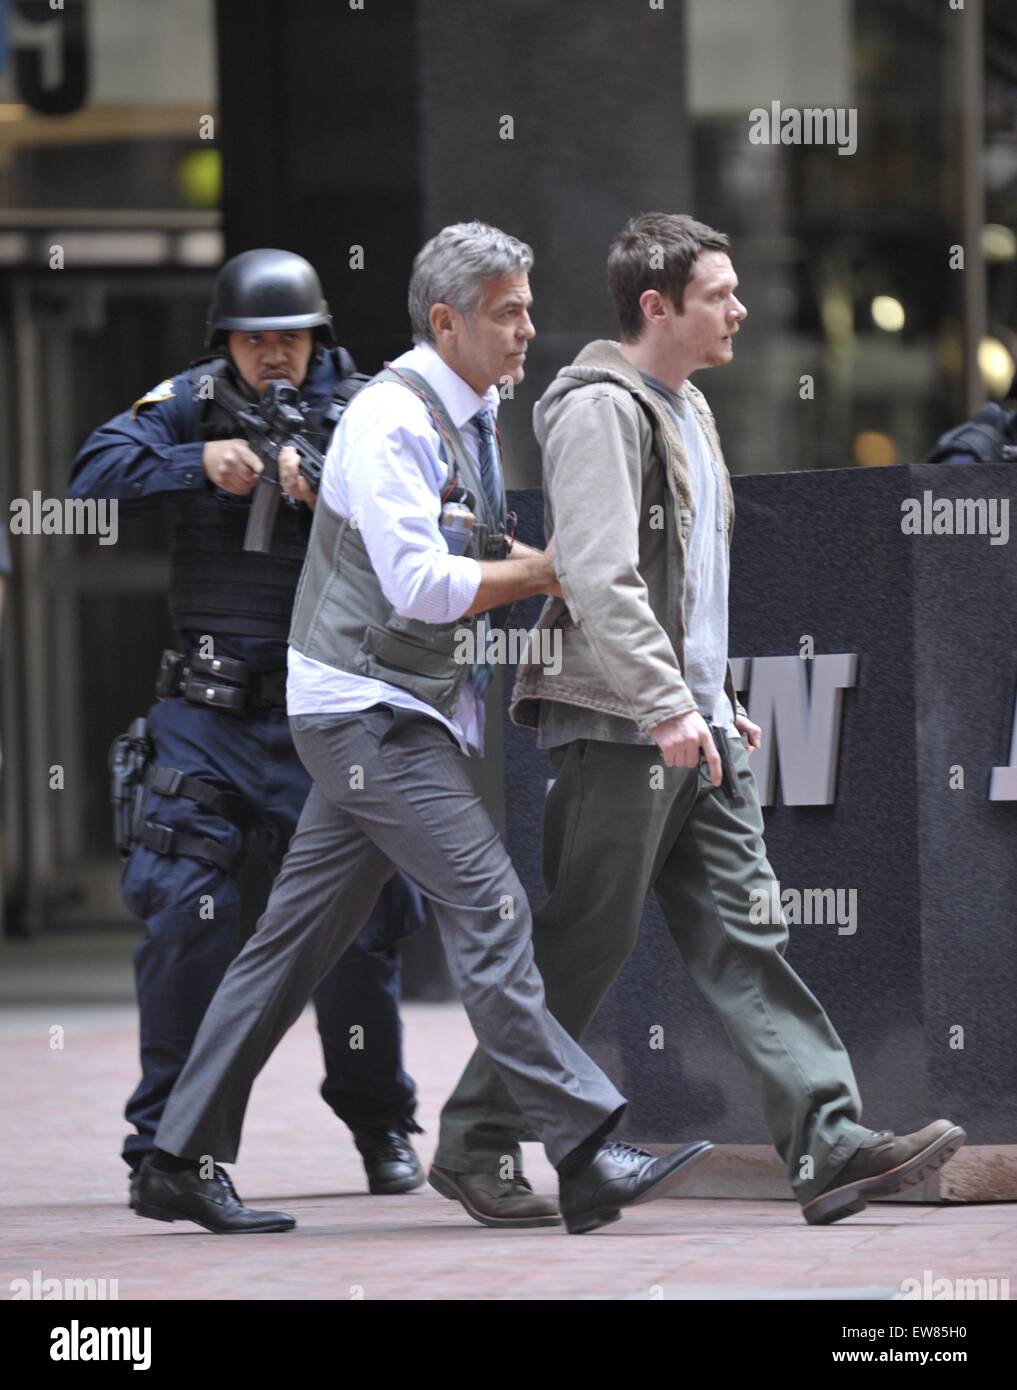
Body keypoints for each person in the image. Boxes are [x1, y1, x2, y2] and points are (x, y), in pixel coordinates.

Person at [130, 220, 713, 1236]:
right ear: (446, 322)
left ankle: (175, 1155)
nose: (529, 329)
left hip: (391, 708)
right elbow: (423, 585)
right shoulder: (390, 420)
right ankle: (581, 1148)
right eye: (507, 312)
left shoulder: (471, 410)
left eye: (530, 307)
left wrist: (546, 568)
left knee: (286, 946)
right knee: (487, 901)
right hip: (365, 714)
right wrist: (555, 570)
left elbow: (473, 549)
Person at [432, 212, 966, 1228]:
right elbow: (596, 570)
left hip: (692, 726)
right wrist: (669, 701)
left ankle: (830, 1142)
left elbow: (698, 585)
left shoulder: (689, 409)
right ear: (656, 305)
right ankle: (474, 1141)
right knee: (584, 944)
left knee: (747, 934)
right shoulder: (599, 409)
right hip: (617, 721)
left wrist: (715, 703)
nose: (740, 308)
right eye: (719, 293)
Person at [70, 249, 428, 1200]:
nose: (275, 358)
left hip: (331, 711)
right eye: (255, 341)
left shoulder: (368, 413)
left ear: (320, 342)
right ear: (224, 344)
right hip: (207, 714)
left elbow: (439, 523)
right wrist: (201, 463)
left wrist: (333, 495)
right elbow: (90, 476)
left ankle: (380, 1123)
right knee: (190, 910)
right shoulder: (188, 402)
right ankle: (164, 1142)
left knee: (353, 934)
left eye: (292, 341)